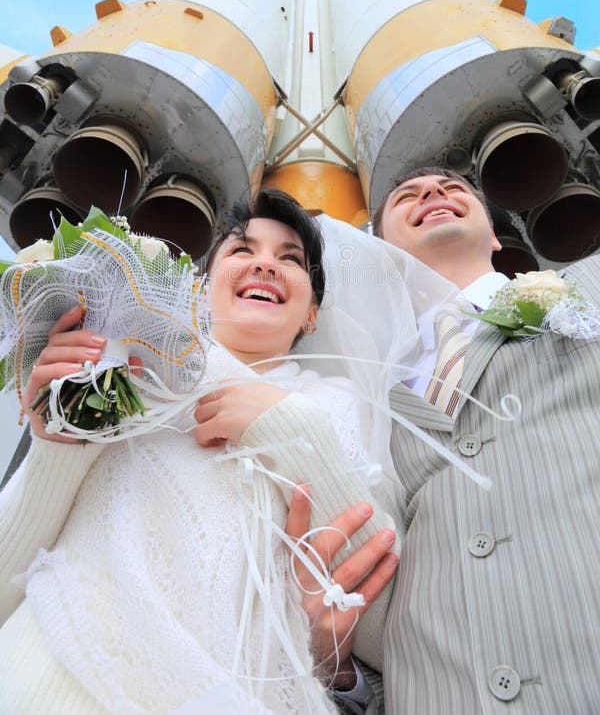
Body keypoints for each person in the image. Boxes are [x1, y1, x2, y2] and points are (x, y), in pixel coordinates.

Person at [0, 189, 399, 715]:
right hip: (49, 685)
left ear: (312, 314)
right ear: (203, 289)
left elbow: (382, 633)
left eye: (290, 258)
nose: (264, 264)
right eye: (241, 250)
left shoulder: (344, 408)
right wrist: (59, 441)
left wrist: (289, 428)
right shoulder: (128, 373)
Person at [291, 168, 600, 714]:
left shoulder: (589, 289)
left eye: (453, 188)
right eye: (407, 196)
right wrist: (340, 671)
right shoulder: (359, 389)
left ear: (496, 236)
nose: (433, 193)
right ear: (382, 254)